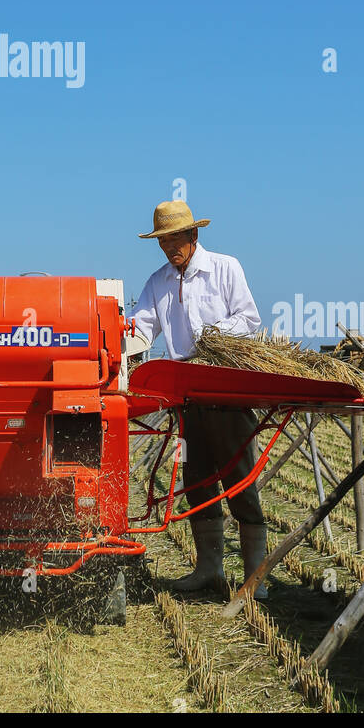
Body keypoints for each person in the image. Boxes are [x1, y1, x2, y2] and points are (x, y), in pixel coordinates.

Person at [130, 200, 269, 597]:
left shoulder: (225, 268)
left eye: (177, 238)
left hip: (226, 392)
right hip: (188, 398)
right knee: (197, 480)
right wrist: (121, 339)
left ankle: (254, 577)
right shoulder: (157, 282)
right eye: (163, 241)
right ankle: (209, 569)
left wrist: (211, 336)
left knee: (240, 479)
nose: (171, 247)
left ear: (194, 235)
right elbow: (141, 329)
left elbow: (248, 319)